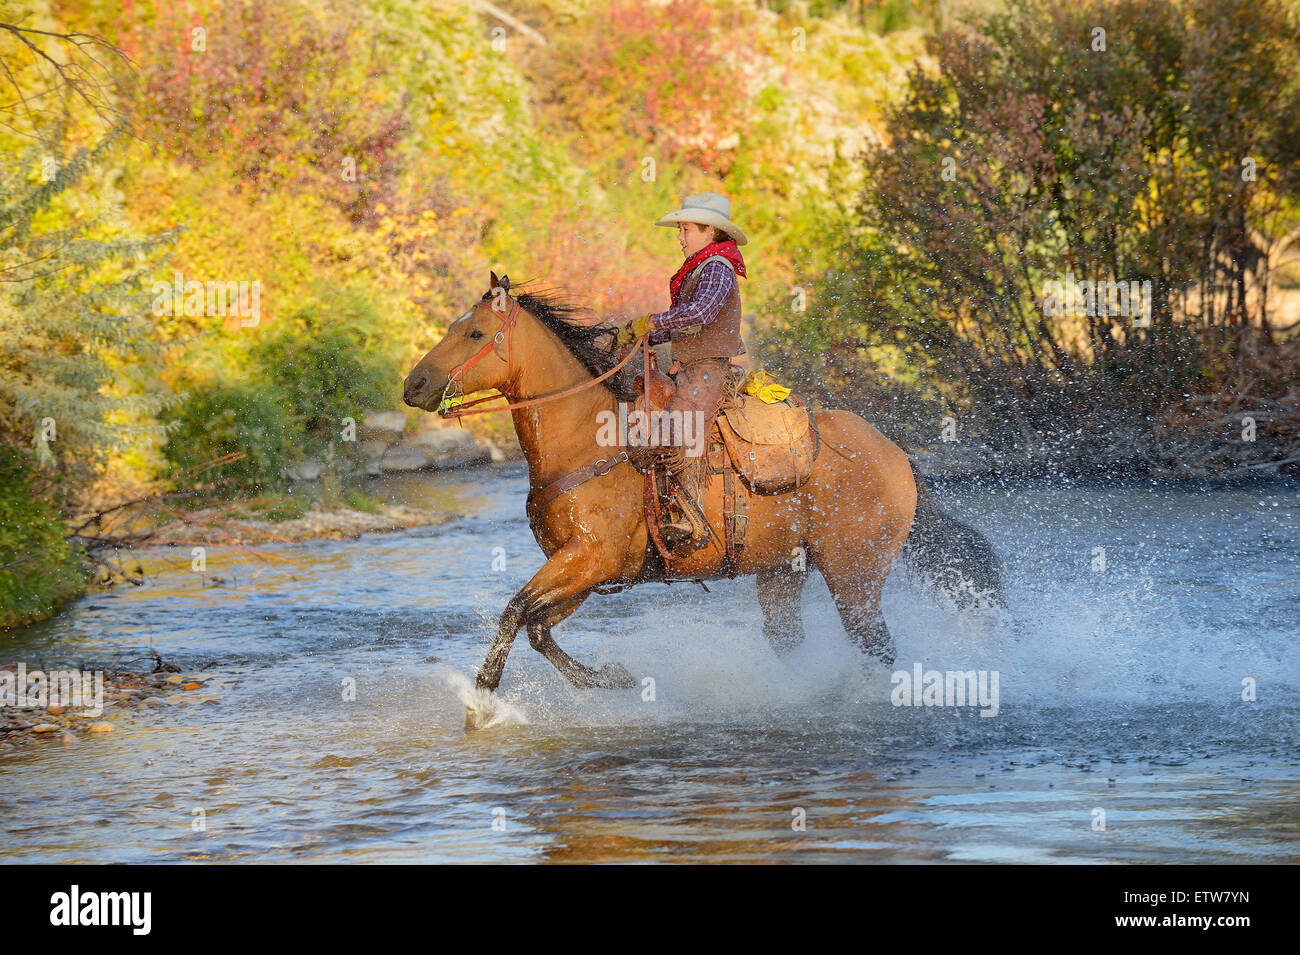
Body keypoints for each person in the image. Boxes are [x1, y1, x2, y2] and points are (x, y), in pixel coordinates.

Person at [617, 192, 748, 540]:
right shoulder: (703, 267)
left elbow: (701, 313)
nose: (680, 237)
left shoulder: (717, 267)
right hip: (690, 367)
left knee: (676, 429)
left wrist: (650, 322)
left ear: (710, 232)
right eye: (681, 230)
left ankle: (693, 519)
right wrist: (640, 336)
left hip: (708, 370)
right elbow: (686, 326)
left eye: (686, 229)